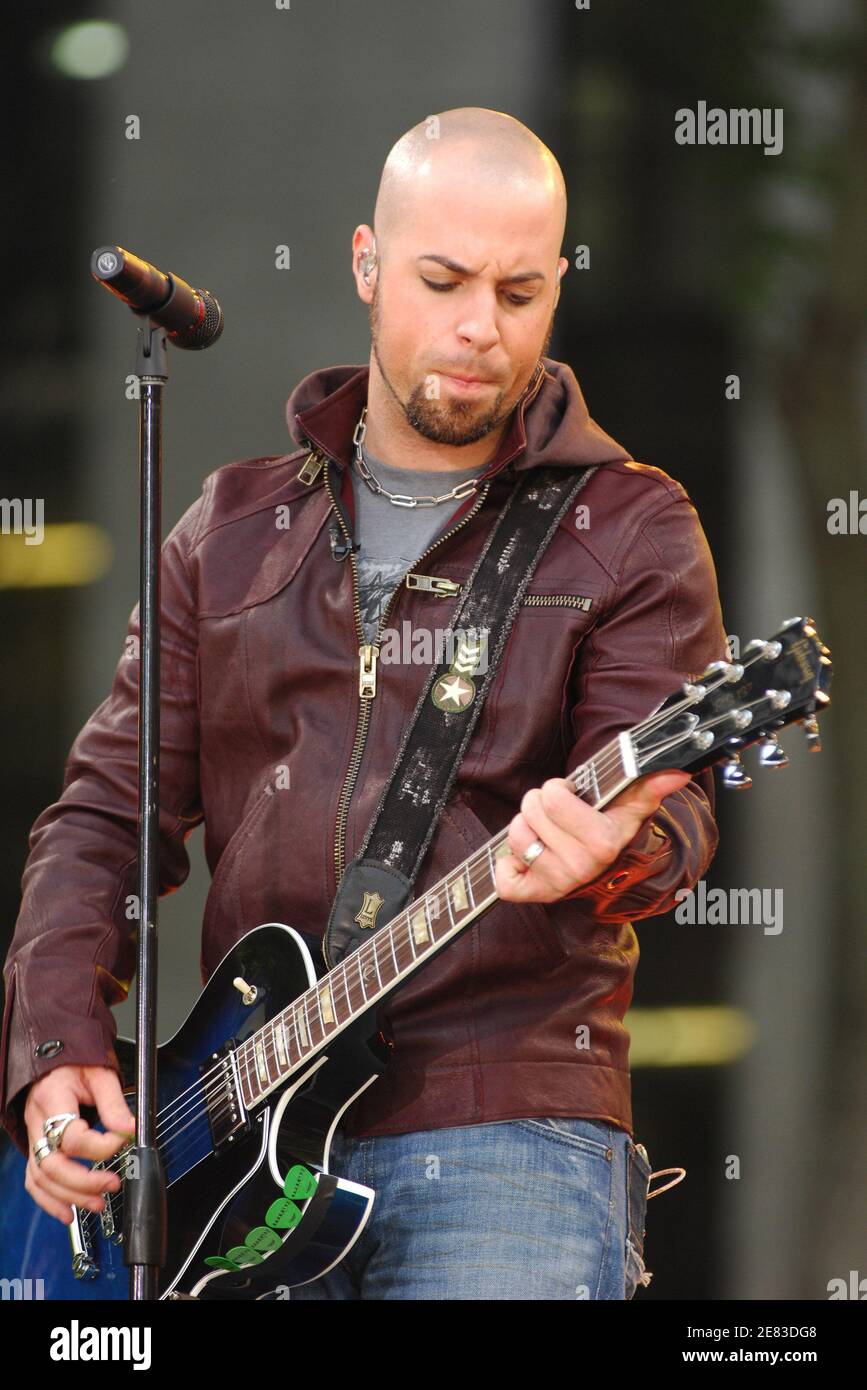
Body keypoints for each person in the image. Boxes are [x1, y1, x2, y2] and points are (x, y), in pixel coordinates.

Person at [0, 107, 727, 1299]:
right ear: (366, 265)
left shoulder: (632, 526)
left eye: (521, 292)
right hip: (235, 1133)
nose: (480, 328)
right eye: (443, 281)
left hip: (509, 1118)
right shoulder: (228, 531)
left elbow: (675, 815)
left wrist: (618, 845)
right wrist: (55, 1043)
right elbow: (101, 818)